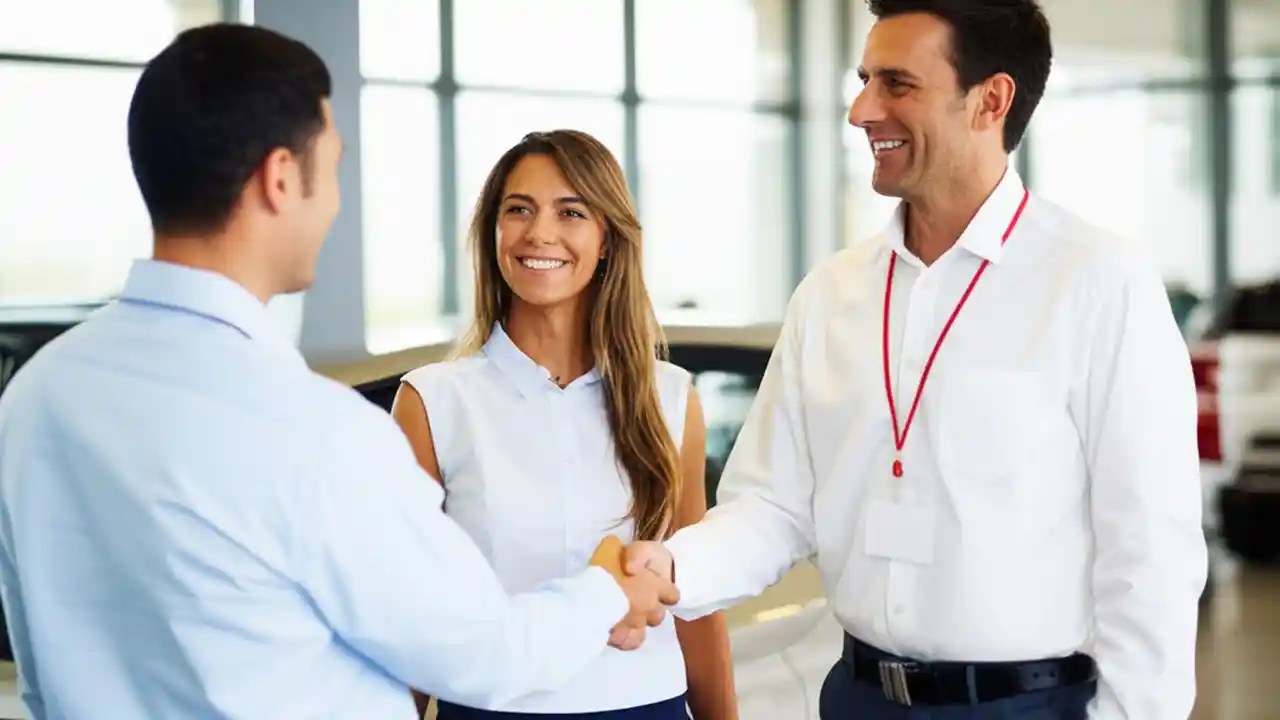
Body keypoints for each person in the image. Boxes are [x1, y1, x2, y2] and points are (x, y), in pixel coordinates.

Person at [0, 24, 678, 720]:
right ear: (282, 177)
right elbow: (485, 654)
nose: (333, 202)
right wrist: (604, 589)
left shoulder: (34, 400)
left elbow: (41, 673)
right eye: (332, 169)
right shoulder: (319, 432)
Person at [624, 1, 1208, 717]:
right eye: (864, 78)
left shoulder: (1097, 281)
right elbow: (773, 507)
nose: (862, 110)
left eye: (897, 84)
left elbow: (1149, 548)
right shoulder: (830, 294)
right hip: (857, 697)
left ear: (990, 100)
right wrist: (674, 566)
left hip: (1026, 706)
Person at [391, 130, 738, 720]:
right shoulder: (432, 402)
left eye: (570, 212)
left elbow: (694, 603)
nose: (539, 233)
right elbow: (412, 611)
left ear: (606, 240)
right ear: (494, 234)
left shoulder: (671, 398)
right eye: (518, 210)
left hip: (647, 708)